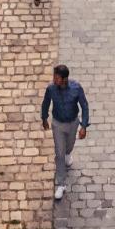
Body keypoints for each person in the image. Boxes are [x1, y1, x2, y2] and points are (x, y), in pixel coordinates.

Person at [41, 63, 89, 202]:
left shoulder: (76, 88)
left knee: (69, 146)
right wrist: (44, 118)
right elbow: (46, 103)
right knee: (59, 153)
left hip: (73, 122)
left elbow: (84, 106)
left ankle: (68, 154)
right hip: (58, 124)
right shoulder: (51, 89)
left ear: (64, 79)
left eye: (56, 78)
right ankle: (61, 184)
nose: (54, 80)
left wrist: (83, 126)